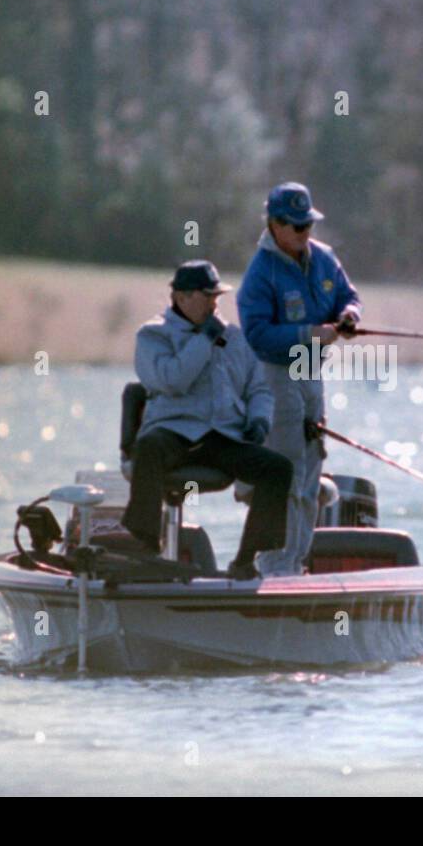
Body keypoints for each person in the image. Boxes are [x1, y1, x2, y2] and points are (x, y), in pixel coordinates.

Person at [119, 260, 293, 580]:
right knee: (148, 447)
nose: (215, 303)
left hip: (220, 437)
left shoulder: (235, 338)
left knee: (278, 469)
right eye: (207, 295)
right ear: (182, 297)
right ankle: (146, 547)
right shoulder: (152, 335)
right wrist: (203, 340)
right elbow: (173, 381)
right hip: (173, 430)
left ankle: (245, 559)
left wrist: (258, 420)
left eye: (217, 296)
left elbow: (259, 388)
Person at [237, 182, 362, 577]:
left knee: (311, 471)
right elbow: (257, 336)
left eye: (308, 224)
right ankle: (274, 564)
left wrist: (350, 316)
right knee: (286, 472)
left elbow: (349, 295)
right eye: (295, 226)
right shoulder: (260, 274)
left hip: (310, 371)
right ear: (273, 224)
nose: (304, 232)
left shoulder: (324, 258)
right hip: (275, 375)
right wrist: (309, 333)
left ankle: (295, 562)